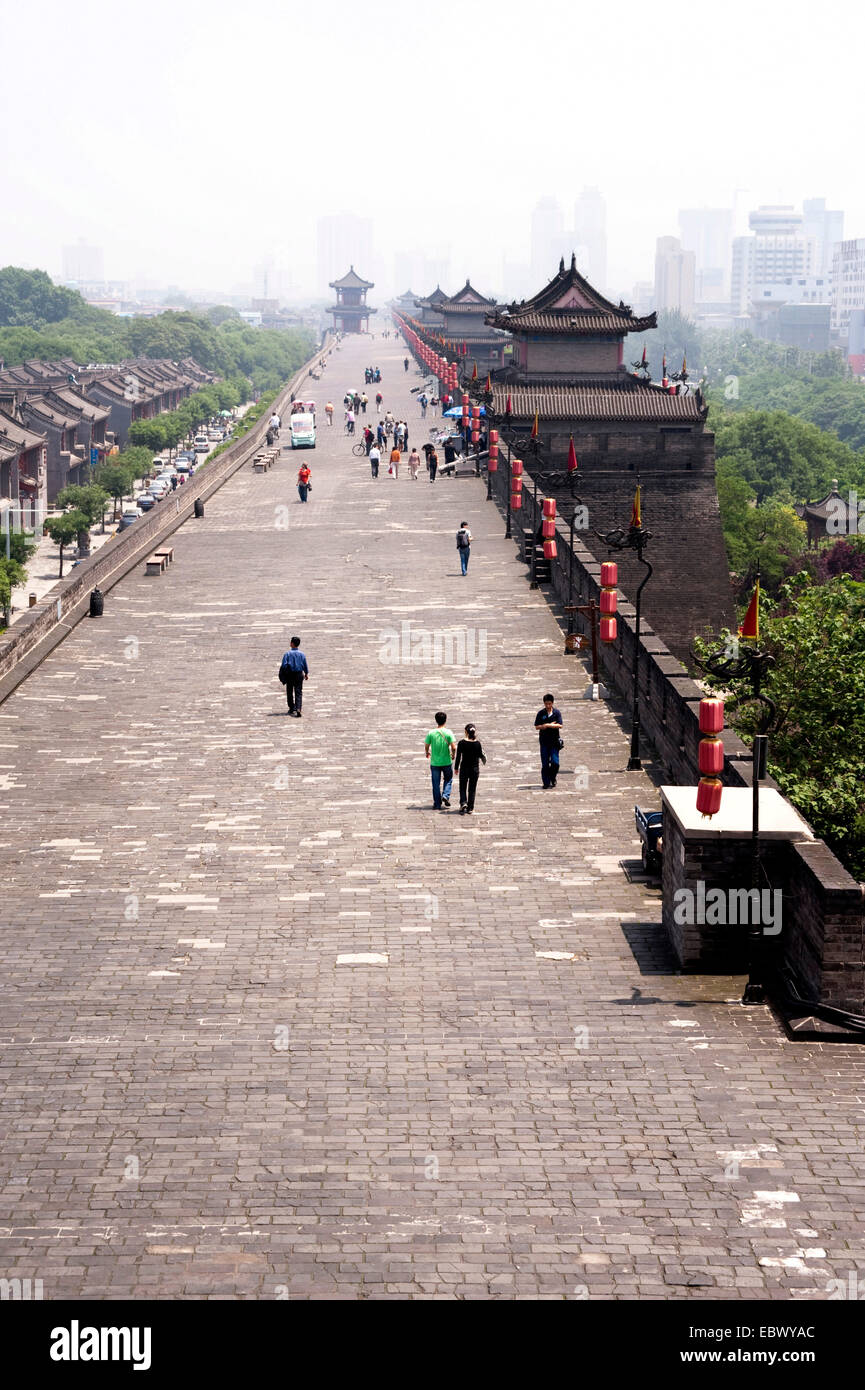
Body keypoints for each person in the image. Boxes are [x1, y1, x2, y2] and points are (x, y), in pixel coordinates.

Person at [425, 711, 456, 810]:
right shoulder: (448, 732)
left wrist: (427, 752)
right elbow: (454, 747)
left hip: (435, 762)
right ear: (445, 720)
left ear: (436, 720)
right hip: (446, 761)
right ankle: (446, 795)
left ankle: (437, 804)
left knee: (435, 784)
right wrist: (453, 754)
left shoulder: (431, 733)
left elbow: (426, 745)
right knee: (448, 779)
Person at [454, 724, 486, 815]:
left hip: (464, 768)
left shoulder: (461, 743)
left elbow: (458, 757)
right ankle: (470, 808)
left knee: (462, 787)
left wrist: (456, 768)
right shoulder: (477, 743)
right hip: (474, 769)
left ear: (466, 732)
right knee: (472, 789)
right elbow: (480, 755)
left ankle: (463, 802)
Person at [534, 693, 563, 788]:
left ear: (552, 703)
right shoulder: (541, 713)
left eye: (549, 704)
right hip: (544, 742)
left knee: (555, 763)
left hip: (554, 742)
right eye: (546, 704)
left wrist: (549, 725)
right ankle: (546, 782)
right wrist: (544, 726)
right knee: (545, 763)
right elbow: (537, 726)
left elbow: (560, 725)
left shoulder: (556, 713)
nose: (548, 706)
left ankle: (552, 777)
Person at [280, 636, 309, 717]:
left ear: (292, 644)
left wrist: (284, 674)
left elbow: (284, 665)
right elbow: (304, 665)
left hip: (290, 674)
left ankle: (292, 707)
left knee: (289, 691)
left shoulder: (287, 654)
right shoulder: (302, 654)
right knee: (298, 692)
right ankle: (299, 708)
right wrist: (306, 673)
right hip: (299, 674)